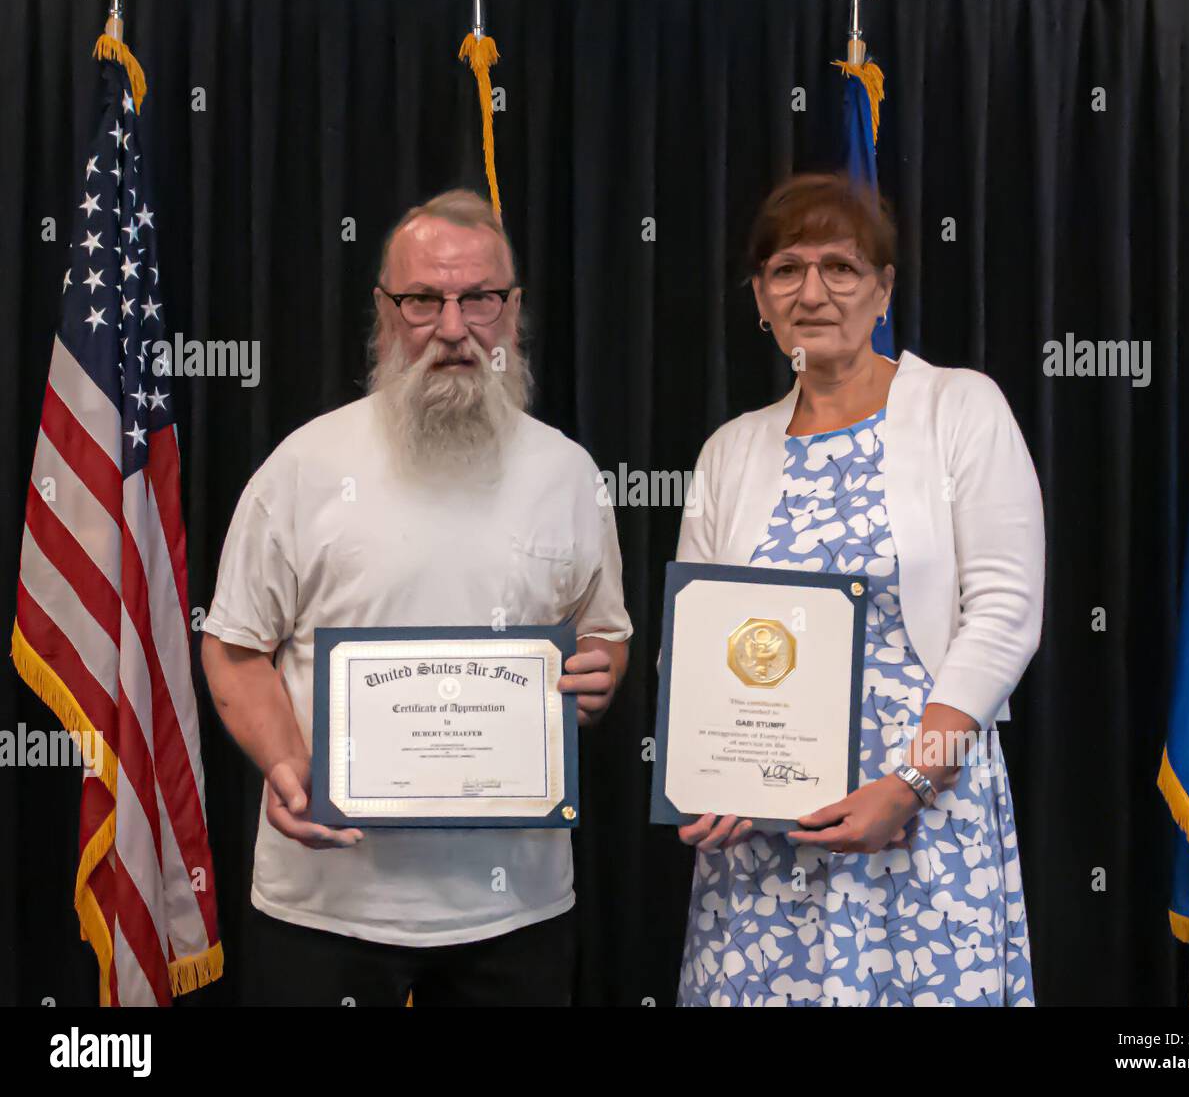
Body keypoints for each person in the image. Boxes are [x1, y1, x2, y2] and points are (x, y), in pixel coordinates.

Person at [201, 189, 632, 1006]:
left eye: (480, 299)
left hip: (517, 911)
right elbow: (233, 645)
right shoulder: (304, 466)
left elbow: (603, 634)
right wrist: (288, 767)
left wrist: (600, 674)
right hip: (326, 906)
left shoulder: (567, 472)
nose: (453, 326)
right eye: (423, 300)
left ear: (513, 311)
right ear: (384, 310)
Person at [673, 173, 1044, 1006]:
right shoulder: (729, 452)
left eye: (840, 268)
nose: (813, 292)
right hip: (762, 836)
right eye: (786, 269)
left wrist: (911, 784)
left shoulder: (960, 407)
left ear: (883, 290)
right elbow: (693, 640)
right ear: (760, 300)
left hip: (918, 811)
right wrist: (711, 778)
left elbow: (1005, 615)